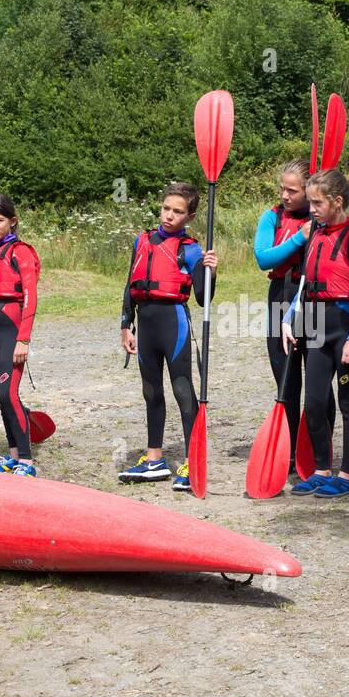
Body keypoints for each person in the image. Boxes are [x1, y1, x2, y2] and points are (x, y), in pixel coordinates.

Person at [281, 169, 349, 498]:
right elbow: (303, 285)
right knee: (315, 401)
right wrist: (288, 318)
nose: (312, 209)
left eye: (318, 203)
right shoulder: (314, 236)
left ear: (337, 202)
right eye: (310, 202)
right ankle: (322, 469)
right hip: (314, 324)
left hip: (346, 326)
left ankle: (348, 474)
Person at [119, 183, 217, 491]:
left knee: (183, 393)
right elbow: (129, 284)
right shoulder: (143, 240)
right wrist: (125, 324)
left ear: (190, 216)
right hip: (145, 327)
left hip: (174, 325)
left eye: (177, 211)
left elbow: (203, 298)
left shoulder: (191, 249)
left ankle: (192, 461)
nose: (169, 215)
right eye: (166, 208)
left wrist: (210, 272)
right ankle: (154, 459)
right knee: (151, 392)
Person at [252, 159, 332, 470]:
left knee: (318, 384)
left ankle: (320, 453)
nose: (285, 196)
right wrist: (300, 236)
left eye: (292, 190)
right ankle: (290, 452)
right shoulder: (271, 217)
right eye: (282, 189)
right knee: (287, 382)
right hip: (281, 298)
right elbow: (263, 258)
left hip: (313, 301)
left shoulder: (321, 216)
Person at [0, 194, 41, 477]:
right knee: (1, 397)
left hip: (13, 330)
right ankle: (13, 456)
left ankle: (27, 461)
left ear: (12, 221)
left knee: (9, 393)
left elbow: (30, 297)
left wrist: (23, 339)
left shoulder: (21, 252)